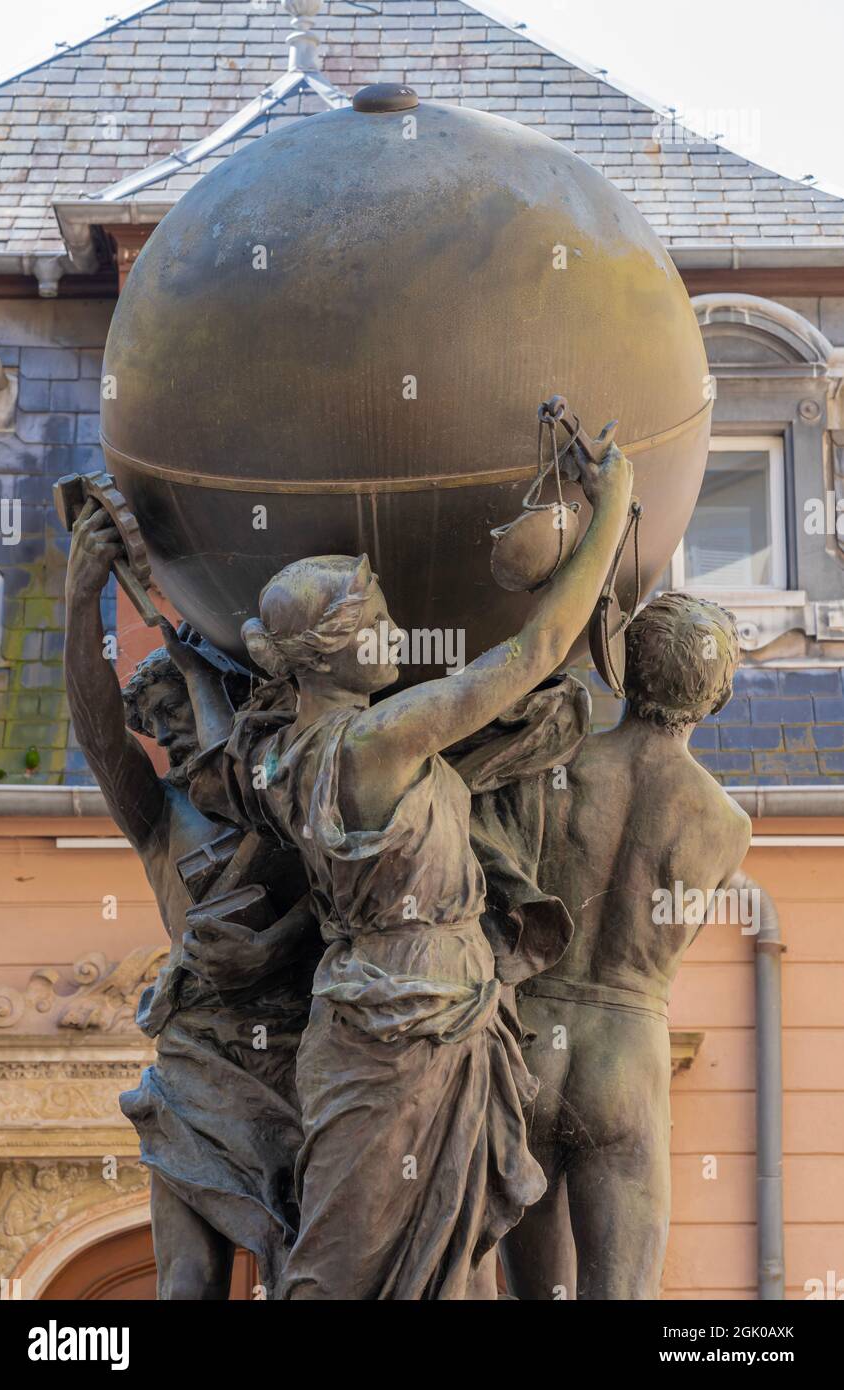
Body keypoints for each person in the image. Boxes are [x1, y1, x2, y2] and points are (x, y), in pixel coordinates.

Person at [163, 431, 633, 1300]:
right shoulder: (380, 739)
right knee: (352, 1263)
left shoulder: (278, 759)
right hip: (406, 1015)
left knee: (422, 1257)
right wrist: (610, 508)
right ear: (324, 650)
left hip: (396, 1007)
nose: (391, 632)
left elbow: (223, 761)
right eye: (368, 621)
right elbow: (535, 651)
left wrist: (194, 666)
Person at [64, 499, 319, 1299]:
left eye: (180, 710)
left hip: (298, 1057)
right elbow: (99, 733)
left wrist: (276, 947)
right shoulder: (157, 818)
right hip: (195, 1061)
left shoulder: (287, 801)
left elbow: (347, 907)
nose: (168, 735)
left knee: (309, 1269)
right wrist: (81, 598)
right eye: (156, 723)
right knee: (184, 1284)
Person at [468, 593, 752, 1299]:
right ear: (716, 694)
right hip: (627, 1058)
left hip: (531, 1045)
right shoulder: (726, 823)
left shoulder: (554, 771)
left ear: (623, 666)